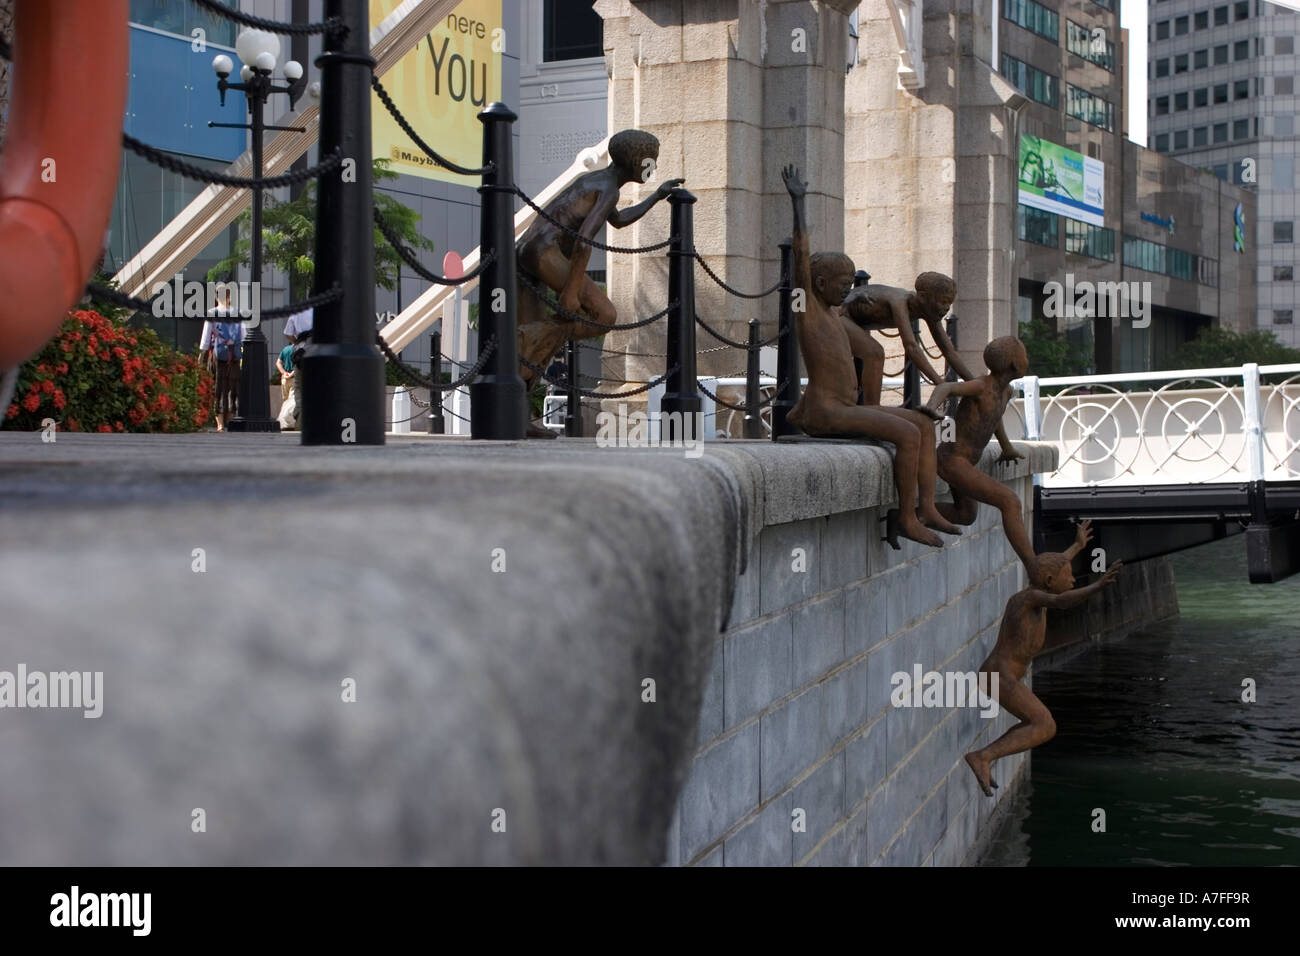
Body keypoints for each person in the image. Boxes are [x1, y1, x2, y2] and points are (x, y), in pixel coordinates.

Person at [780, 164, 957, 548]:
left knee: (923, 425)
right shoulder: (806, 306)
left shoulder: (836, 317)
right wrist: (798, 202)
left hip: (844, 406)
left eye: (850, 284)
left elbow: (874, 353)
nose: (847, 291)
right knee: (908, 433)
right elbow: (800, 254)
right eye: (842, 285)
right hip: (828, 412)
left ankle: (927, 507)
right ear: (820, 284)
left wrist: (876, 407)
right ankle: (907, 517)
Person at [515, 128, 684, 436]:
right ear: (636, 160)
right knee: (605, 315)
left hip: (529, 253)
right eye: (651, 160)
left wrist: (657, 196)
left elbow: (617, 220)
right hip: (545, 253)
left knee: (540, 332)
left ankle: (518, 411)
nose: (653, 166)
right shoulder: (608, 188)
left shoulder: (600, 182)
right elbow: (582, 242)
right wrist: (570, 293)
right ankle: (530, 339)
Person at [964, 522, 1121, 796]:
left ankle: (985, 756)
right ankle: (983, 756)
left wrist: (1077, 546)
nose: (1072, 580)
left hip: (1004, 676)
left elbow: (1053, 568)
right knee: (1045, 725)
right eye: (1069, 577)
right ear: (1050, 583)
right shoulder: (1029, 600)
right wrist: (1096, 587)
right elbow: (1062, 600)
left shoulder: (1042, 587)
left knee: (1039, 724)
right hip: (997, 676)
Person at [929, 337, 1034, 571]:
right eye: (1024, 355)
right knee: (1010, 502)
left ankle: (906, 516)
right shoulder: (980, 386)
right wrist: (931, 409)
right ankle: (1032, 563)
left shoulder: (1005, 392)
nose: (1028, 359)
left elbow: (993, 418)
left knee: (966, 514)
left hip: (966, 462)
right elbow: (946, 387)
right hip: (951, 460)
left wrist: (1007, 447)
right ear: (1014, 366)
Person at [839, 272, 959, 410]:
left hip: (854, 320)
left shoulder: (930, 311)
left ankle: (872, 410)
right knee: (874, 352)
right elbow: (911, 347)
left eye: (949, 303)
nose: (947, 308)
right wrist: (940, 383)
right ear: (923, 297)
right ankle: (873, 409)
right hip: (840, 313)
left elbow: (949, 352)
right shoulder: (899, 301)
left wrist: (973, 382)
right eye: (943, 302)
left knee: (872, 353)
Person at [199, 288, 244, 432]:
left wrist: (203, 353)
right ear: (230, 296)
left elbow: (206, 337)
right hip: (234, 355)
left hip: (218, 355)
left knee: (218, 386)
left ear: (216, 297)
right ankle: (231, 419)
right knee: (233, 386)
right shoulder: (237, 312)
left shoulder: (212, 313)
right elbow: (243, 335)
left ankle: (219, 423)